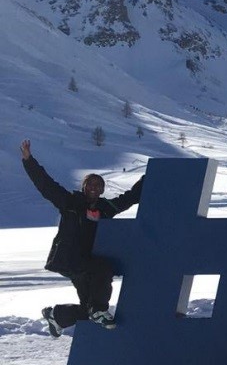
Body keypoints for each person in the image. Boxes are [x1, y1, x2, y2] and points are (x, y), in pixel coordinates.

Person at [20, 139, 143, 336]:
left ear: (102, 190)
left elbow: (129, 198)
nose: (94, 187)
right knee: (103, 269)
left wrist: (149, 178)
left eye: (98, 185)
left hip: (86, 263)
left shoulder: (105, 208)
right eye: (90, 184)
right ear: (84, 187)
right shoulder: (70, 202)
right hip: (70, 259)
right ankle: (99, 310)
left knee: (88, 309)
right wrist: (29, 161)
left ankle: (57, 315)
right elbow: (46, 185)